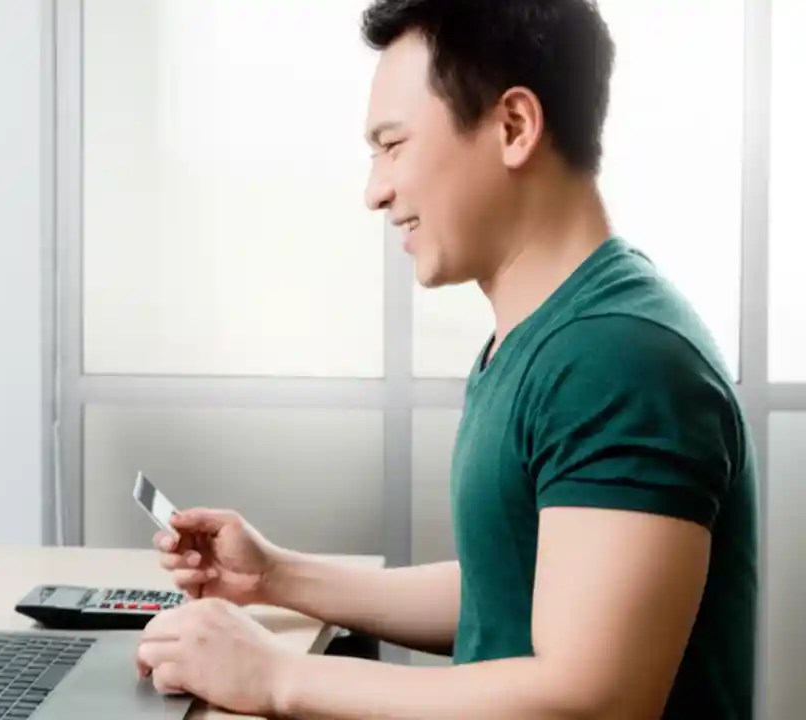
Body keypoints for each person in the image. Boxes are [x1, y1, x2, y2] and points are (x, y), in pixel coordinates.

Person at [133, 1, 758, 718]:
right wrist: (276, 575)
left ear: (514, 127)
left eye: (393, 146)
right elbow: (510, 587)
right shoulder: (543, 337)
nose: (376, 190)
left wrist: (276, 677)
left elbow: (596, 703)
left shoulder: (618, 359)